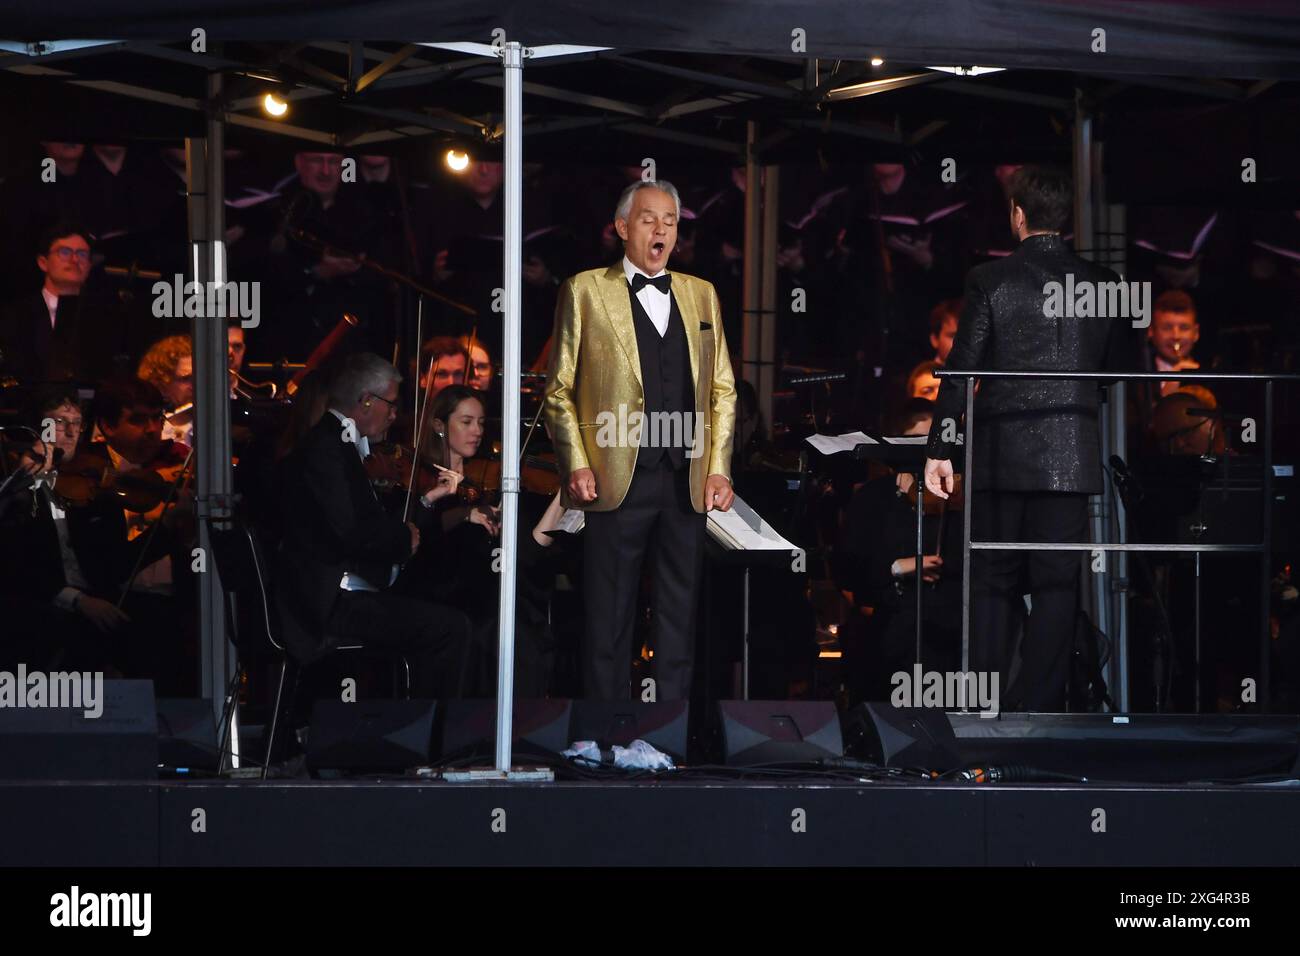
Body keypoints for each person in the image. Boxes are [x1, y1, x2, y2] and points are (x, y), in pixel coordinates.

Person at [923, 165, 1129, 712]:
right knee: (1059, 584)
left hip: (1001, 455)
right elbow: (1115, 367)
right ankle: (1038, 709)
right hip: (1072, 455)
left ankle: (985, 709)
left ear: (1017, 216)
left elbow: (961, 370)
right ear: (1067, 221)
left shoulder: (989, 280)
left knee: (993, 578)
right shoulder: (1105, 284)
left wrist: (940, 449)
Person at [545, 178, 738, 700]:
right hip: (614, 474)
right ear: (622, 227)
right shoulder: (585, 289)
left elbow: (722, 387)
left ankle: (666, 735)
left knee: (678, 614)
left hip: (684, 479)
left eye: (671, 221)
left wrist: (719, 467)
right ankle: (604, 731)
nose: (662, 230)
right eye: (650, 219)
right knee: (608, 613)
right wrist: (576, 464)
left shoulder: (701, 294)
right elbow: (558, 389)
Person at [273, 352, 471, 697]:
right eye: (391, 405)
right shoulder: (325, 449)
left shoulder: (339, 445)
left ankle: (404, 719)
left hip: (346, 592)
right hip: (331, 602)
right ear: (366, 401)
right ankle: (428, 734)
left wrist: (417, 511)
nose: (395, 415)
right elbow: (350, 533)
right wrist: (402, 536)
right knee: (451, 629)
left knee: (442, 603)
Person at [137, 334, 194, 445]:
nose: (197, 385)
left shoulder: (216, 427)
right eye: (186, 379)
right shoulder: (145, 432)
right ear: (161, 384)